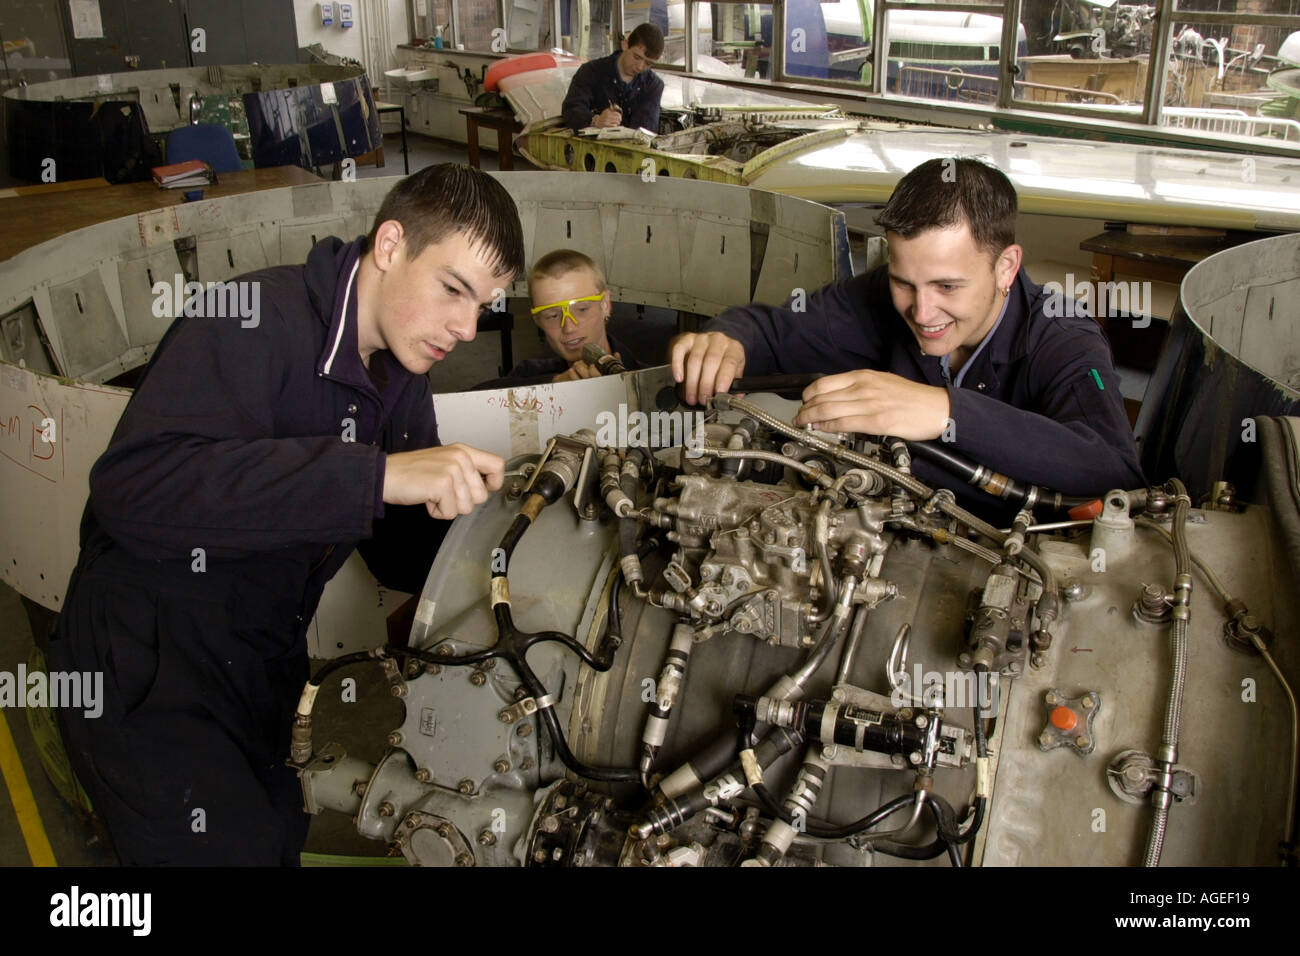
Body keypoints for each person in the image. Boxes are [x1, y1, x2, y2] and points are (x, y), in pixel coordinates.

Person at [47, 164, 525, 865]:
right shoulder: (251, 318)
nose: (465, 326)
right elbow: (135, 485)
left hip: (260, 659)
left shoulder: (399, 378)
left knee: (274, 840)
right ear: (390, 246)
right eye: (454, 289)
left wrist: (503, 545)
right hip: (149, 661)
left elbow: (397, 553)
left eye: (484, 304)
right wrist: (376, 474)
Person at [670, 156, 1145, 515]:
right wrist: (728, 338)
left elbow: (1113, 468)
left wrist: (945, 411)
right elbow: (774, 330)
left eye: (947, 286)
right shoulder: (878, 298)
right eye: (905, 283)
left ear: (1006, 267)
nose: (921, 311)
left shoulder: (1064, 336)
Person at [479, 249, 649, 388]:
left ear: (605, 304)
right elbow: (469, 401)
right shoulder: (529, 374)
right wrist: (555, 385)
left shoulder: (652, 379)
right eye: (552, 315)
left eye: (582, 309)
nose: (569, 328)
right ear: (537, 321)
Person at [561, 23, 665, 133]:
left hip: (633, 147)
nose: (640, 67)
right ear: (625, 44)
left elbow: (645, 131)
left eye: (648, 63)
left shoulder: (653, 85)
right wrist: (595, 120)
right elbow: (570, 109)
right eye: (637, 57)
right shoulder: (591, 72)